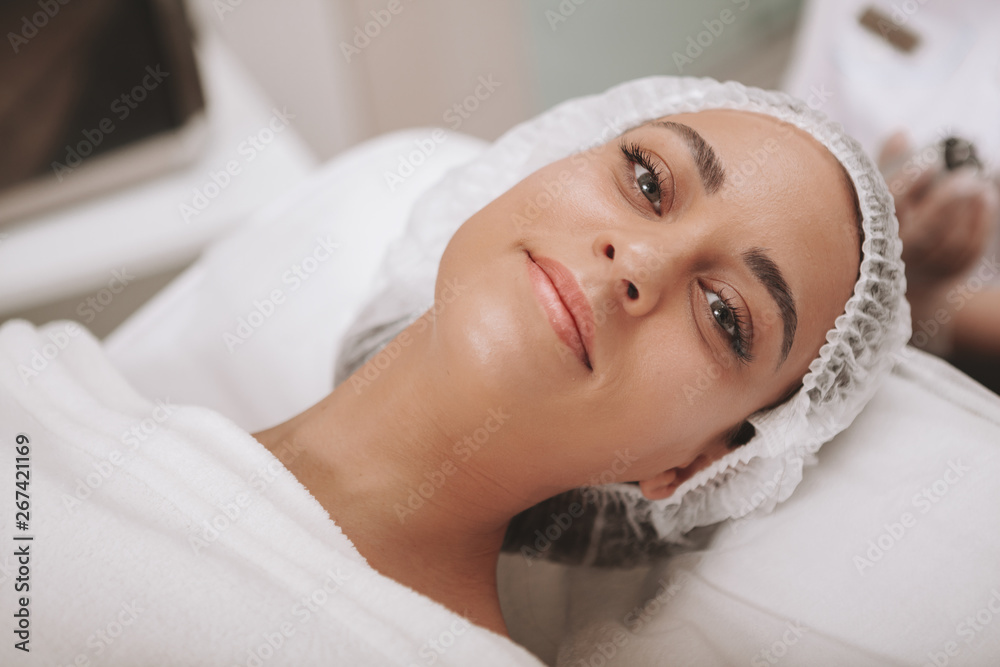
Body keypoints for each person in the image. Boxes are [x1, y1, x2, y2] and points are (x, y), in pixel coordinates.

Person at [0, 77, 907, 665]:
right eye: (646, 179)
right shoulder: (38, 387)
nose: (638, 261)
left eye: (724, 316)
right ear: (523, 171)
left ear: (697, 466)